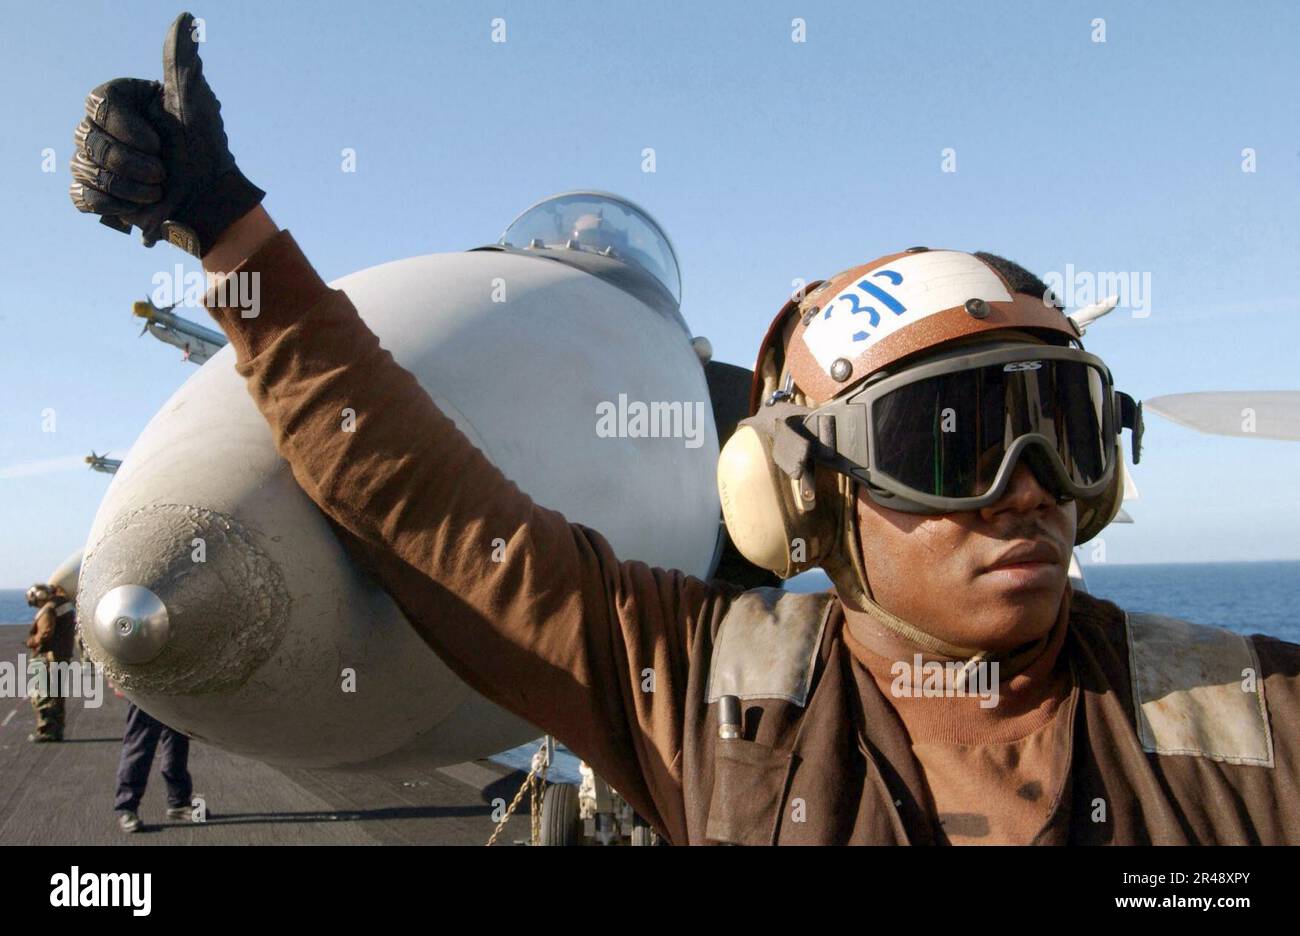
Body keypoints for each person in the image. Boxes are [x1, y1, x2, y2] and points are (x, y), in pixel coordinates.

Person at [68, 14, 1300, 844]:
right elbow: (424, 506)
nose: (1027, 488)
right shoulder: (707, 689)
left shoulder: (1255, 719)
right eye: (951, 438)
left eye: (1063, 430)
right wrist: (226, 235)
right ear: (806, 492)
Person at [114, 702, 194, 834]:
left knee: (177, 737)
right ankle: (127, 808)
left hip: (174, 688)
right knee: (140, 741)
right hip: (143, 688)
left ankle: (179, 802)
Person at [24, 583, 76, 743]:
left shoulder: (48, 609)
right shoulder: (63, 603)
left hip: (48, 658)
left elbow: (46, 633)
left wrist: (33, 641)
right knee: (57, 695)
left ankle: (47, 731)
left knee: (43, 695)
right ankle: (56, 730)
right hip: (61, 656)